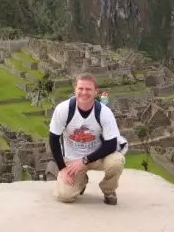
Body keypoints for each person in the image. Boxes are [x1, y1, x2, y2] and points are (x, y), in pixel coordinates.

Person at [48, 73, 125, 205]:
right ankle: (81, 181)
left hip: (97, 157)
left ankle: (108, 190)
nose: (84, 92)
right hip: (71, 159)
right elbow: (54, 139)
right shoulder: (63, 110)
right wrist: (62, 168)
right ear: (75, 90)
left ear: (96, 92)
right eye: (81, 88)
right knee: (65, 196)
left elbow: (112, 144)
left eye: (88, 89)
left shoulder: (104, 112)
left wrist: (84, 161)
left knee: (117, 161)